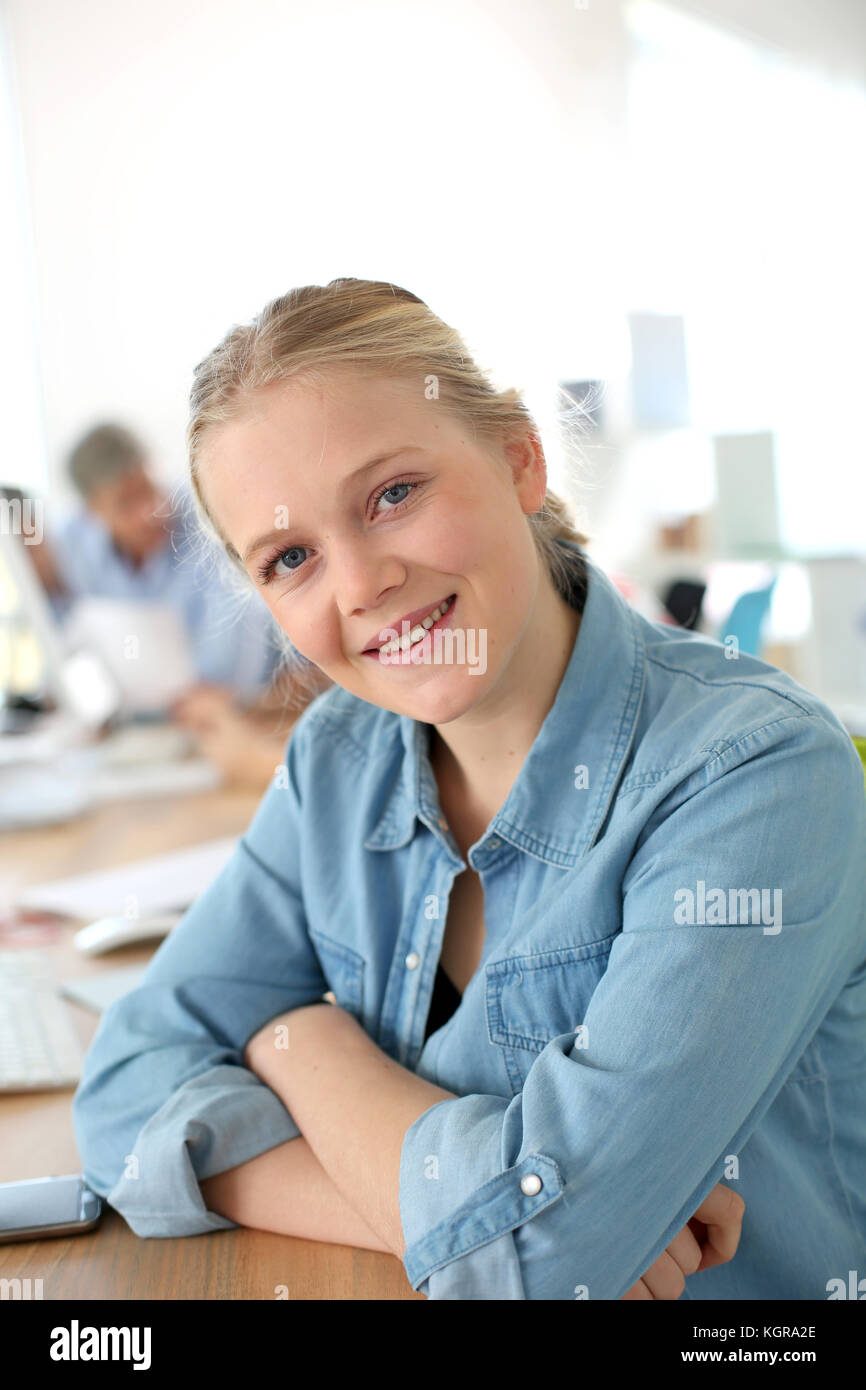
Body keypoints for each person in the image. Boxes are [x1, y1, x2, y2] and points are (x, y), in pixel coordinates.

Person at [72, 279, 866, 1301]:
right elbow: (123, 1087)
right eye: (291, 558)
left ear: (518, 458)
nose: (359, 584)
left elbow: (545, 1265)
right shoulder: (340, 760)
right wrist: (458, 1215)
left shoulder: (755, 770)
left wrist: (294, 1043)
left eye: (392, 494)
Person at [44, 422, 285, 704]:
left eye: (148, 489)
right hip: (148, 715)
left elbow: (233, 653)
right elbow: (69, 632)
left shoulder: (207, 519)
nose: (148, 512)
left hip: (257, 699)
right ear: (92, 512)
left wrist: (204, 697)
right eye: (125, 504)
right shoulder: (75, 543)